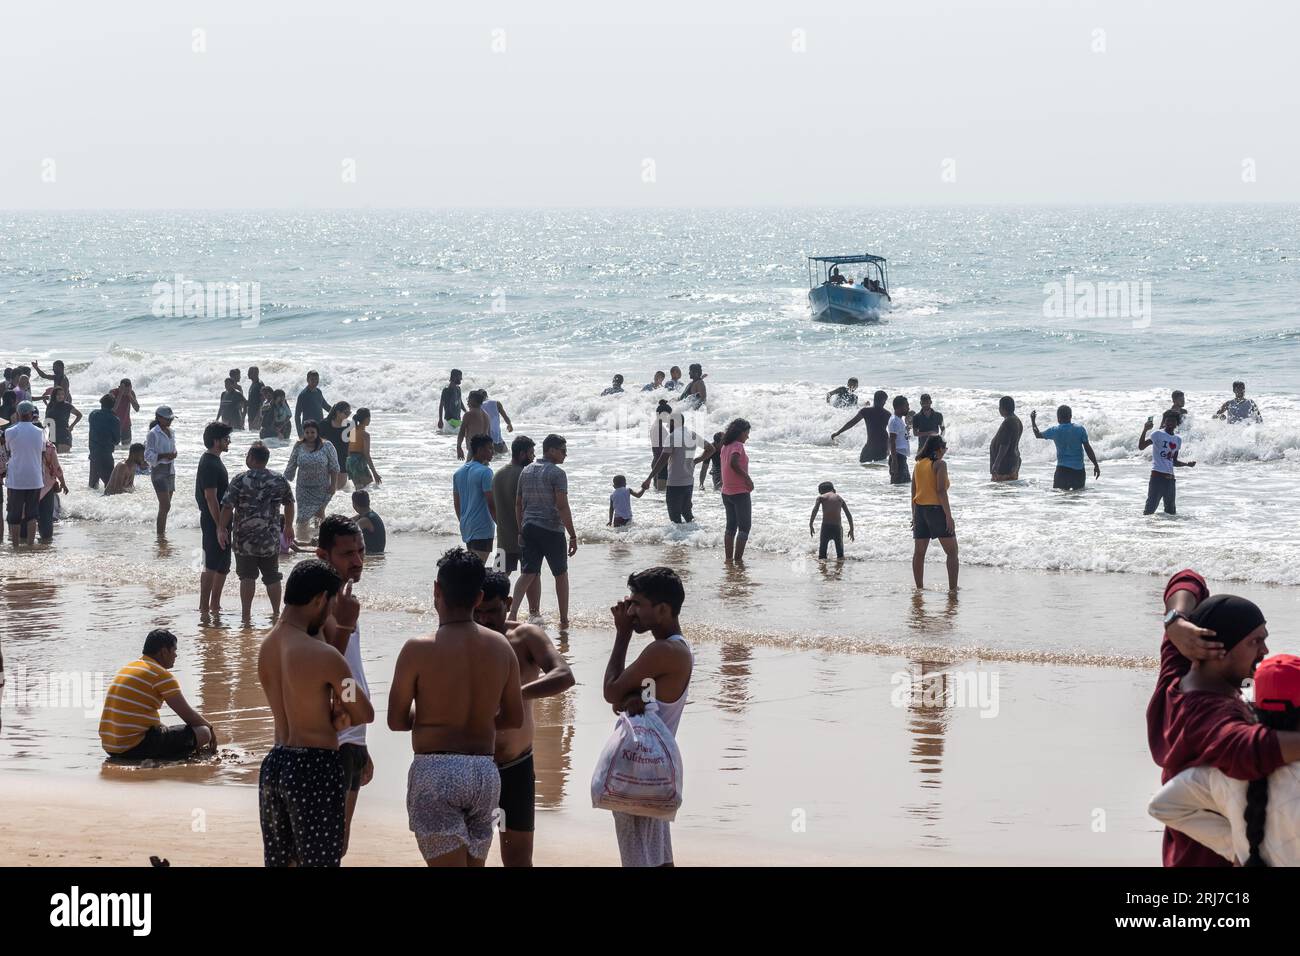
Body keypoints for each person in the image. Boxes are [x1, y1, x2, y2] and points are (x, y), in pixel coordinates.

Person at [1149, 575, 1300, 866]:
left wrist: (1175, 622)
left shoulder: (1181, 668)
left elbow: (1188, 580)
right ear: (1219, 651)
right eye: (1255, 641)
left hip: (1182, 849)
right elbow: (1245, 749)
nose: (1265, 651)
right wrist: (1234, 846)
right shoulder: (1207, 714)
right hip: (1209, 860)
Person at [388, 548, 523, 867]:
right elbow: (514, 717)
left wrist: (433, 716)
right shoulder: (502, 647)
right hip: (484, 774)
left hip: (436, 772)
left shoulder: (417, 649)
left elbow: (396, 720)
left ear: (437, 590)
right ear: (479, 597)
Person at [257, 559, 373, 868]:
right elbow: (363, 710)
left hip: (276, 763)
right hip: (314, 768)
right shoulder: (325, 656)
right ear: (320, 599)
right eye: (331, 605)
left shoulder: (267, 647)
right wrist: (343, 714)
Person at [471, 570, 574, 866]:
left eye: (492, 611)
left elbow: (564, 675)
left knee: (517, 860)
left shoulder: (526, 636)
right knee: (471, 856)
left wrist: (516, 695)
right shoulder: (465, 638)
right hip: (475, 762)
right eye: (478, 612)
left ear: (508, 602)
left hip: (516, 764)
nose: (485, 619)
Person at [603, 567, 694, 867]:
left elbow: (611, 691)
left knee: (638, 859)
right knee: (659, 857)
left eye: (637, 604)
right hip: (653, 770)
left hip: (638, 773)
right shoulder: (678, 649)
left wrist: (622, 635)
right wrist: (630, 699)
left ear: (663, 609)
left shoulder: (662, 650)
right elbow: (632, 698)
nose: (630, 611)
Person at [315, 515, 374, 857]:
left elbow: (349, 673)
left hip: (350, 736)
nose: (357, 561)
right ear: (323, 555)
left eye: (361, 551)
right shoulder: (316, 605)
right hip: (327, 738)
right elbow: (322, 670)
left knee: (339, 840)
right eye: (347, 554)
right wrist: (347, 626)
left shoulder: (345, 601)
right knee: (325, 842)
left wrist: (361, 739)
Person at [99, 629, 217, 760]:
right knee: (203, 732)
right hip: (134, 748)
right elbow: (188, 715)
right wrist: (211, 729)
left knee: (165, 728)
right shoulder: (161, 675)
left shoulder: (129, 668)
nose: (176, 655)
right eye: (174, 650)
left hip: (111, 747)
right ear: (164, 652)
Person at [219, 441, 296, 623]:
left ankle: (246, 616)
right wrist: (288, 526)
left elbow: (228, 507)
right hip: (269, 537)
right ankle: (276, 613)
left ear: (251, 458)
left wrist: (221, 528)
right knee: (272, 575)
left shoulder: (240, 479)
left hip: (244, 538)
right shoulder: (279, 479)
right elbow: (290, 503)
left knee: (246, 576)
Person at [510, 434, 577, 628]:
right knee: (560, 574)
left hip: (529, 527)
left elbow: (518, 504)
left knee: (528, 572)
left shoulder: (527, 470)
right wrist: (572, 534)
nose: (565, 454)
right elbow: (562, 506)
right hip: (551, 529)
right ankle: (564, 619)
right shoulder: (557, 473)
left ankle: (512, 613)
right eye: (563, 450)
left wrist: (521, 528)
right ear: (551, 451)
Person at [494, 436, 540, 615]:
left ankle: (492, 608)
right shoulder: (525, 475)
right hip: (524, 536)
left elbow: (492, 505)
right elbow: (528, 506)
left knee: (498, 578)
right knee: (532, 574)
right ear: (522, 454)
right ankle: (534, 613)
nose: (534, 456)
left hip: (503, 536)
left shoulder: (498, 474)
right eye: (531, 453)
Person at [642, 409, 713, 524]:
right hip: (689, 481)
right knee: (687, 515)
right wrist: (696, 461)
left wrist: (649, 478)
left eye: (669, 422)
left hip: (675, 483)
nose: (667, 425)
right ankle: (695, 538)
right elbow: (711, 449)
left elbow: (662, 460)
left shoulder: (672, 437)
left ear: (673, 423)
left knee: (675, 518)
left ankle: (679, 541)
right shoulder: (692, 434)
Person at [911, 436, 958, 590]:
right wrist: (948, 517)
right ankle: (953, 589)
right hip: (936, 510)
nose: (945, 452)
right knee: (952, 551)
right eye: (944, 448)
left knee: (919, 553)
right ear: (939, 449)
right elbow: (941, 491)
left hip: (920, 510)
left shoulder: (918, 465)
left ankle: (919, 588)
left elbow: (913, 492)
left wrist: (914, 515)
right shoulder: (940, 464)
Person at [196, 422, 234, 615]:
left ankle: (215, 604)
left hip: (221, 522)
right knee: (210, 564)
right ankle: (204, 605)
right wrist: (220, 526)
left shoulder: (215, 460)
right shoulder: (209, 463)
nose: (229, 441)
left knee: (223, 565)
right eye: (226, 438)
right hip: (214, 521)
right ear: (215, 441)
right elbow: (210, 498)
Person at [284, 421, 339, 542]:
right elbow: (292, 464)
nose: (310, 435)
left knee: (319, 514)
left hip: (322, 488)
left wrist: (333, 485)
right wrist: (284, 481)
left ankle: (319, 540)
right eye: (307, 432)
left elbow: (334, 467)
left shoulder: (327, 446)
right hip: (303, 489)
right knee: (303, 516)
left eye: (312, 432)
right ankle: (302, 540)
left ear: (317, 432)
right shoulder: (298, 446)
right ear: (303, 433)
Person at [1139, 409, 1195, 515]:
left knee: (1171, 512)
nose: (1169, 423)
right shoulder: (1157, 434)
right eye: (1167, 421)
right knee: (1149, 510)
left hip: (1170, 480)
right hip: (1157, 478)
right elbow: (1141, 447)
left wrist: (1186, 464)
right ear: (1164, 422)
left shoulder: (1178, 440)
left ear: (1177, 424)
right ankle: (1145, 530)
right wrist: (1145, 430)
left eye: (1172, 421)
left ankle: (1168, 531)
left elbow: (1173, 462)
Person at [1031, 404, 1100, 490]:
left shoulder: (1055, 430)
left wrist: (1033, 421)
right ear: (1070, 416)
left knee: (1059, 499)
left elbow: (1037, 434)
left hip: (1062, 471)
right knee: (1078, 499)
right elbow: (1088, 449)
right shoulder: (1080, 429)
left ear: (1058, 418)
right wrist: (1096, 465)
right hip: (1078, 471)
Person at [4, 402, 44, 546]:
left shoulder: (10, 431)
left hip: (16, 478)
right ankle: (30, 545)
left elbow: (9, 450)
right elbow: (42, 451)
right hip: (34, 478)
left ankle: (15, 546)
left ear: (18, 413)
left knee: (14, 515)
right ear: (32, 413)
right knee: (32, 515)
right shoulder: (40, 432)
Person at [453, 433, 497, 563]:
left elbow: (457, 504)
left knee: (471, 569)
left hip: (467, 526)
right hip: (482, 528)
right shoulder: (485, 472)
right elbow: (491, 503)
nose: (493, 452)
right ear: (480, 450)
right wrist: (500, 524)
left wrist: (463, 522)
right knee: (476, 572)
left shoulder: (458, 473)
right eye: (490, 448)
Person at [719, 418, 753, 563]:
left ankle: (728, 559)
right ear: (740, 432)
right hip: (739, 492)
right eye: (747, 433)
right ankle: (738, 560)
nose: (748, 436)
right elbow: (733, 463)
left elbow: (726, 466)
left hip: (726, 492)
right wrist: (747, 478)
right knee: (744, 527)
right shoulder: (738, 445)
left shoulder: (725, 446)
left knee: (731, 527)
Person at [144, 406, 179, 536]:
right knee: (165, 505)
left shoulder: (172, 431)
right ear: (159, 418)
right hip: (158, 471)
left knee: (165, 507)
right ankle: (160, 536)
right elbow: (147, 456)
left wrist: (173, 453)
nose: (170, 421)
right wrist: (165, 456)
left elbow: (172, 449)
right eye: (167, 418)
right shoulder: (153, 433)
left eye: (171, 418)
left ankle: (161, 534)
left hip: (171, 470)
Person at [34, 411, 68, 542]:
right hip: (47, 486)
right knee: (46, 516)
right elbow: (57, 468)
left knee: (28, 514)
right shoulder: (49, 447)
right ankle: (46, 540)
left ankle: (26, 540)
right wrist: (63, 483)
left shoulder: (24, 446)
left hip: (28, 484)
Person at [832, 389, 892, 463]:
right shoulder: (887, 414)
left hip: (872, 445)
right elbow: (891, 434)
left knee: (864, 465)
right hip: (881, 446)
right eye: (884, 401)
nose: (884, 403)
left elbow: (852, 423)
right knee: (877, 467)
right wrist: (888, 448)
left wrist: (838, 432)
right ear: (882, 401)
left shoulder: (866, 411)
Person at [809, 481, 854, 560]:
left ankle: (823, 568)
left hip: (826, 527)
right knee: (840, 553)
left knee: (822, 554)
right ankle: (839, 569)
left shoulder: (821, 497)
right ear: (833, 489)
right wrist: (851, 529)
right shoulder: (840, 498)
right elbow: (848, 514)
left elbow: (815, 510)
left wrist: (811, 524)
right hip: (837, 528)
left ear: (821, 491)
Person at [87, 394, 121, 490]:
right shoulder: (115, 420)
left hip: (93, 453)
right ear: (113, 405)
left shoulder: (93, 414)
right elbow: (117, 440)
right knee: (110, 485)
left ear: (101, 403)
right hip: (106, 454)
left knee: (93, 485)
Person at [318, 402, 353, 491]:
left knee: (340, 487)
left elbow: (352, 444)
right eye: (346, 412)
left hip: (343, 458)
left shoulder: (350, 425)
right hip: (327, 458)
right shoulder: (324, 424)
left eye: (349, 413)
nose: (348, 415)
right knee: (325, 486)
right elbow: (317, 443)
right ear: (338, 412)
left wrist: (351, 462)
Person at [989, 395, 1023, 481]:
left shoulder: (1008, 422)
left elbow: (1005, 444)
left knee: (1001, 493)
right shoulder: (1017, 421)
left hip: (1004, 467)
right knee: (1008, 492)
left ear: (1002, 408)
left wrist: (996, 463)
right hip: (1013, 464)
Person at [346, 407, 381, 490]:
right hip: (359, 463)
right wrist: (375, 473)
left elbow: (349, 450)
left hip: (350, 462)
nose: (370, 420)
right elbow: (366, 454)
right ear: (365, 419)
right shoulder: (365, 435)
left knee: (358, 491)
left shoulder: (353, 431)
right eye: (369, 418)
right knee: (369, 490)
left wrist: (350, 464)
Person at [42, 386, 81, 453]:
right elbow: (46, 420)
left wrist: (72, 426)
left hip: (64, 434)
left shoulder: (67, 406)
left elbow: (79, 415)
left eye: (62, 394)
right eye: (58, 394)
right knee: (54, 460)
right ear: (54, 395)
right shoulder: (50, 405)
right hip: (52, 435)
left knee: (64, 457)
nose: (61, 396)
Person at [294, 371, 331, 439]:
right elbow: (297, 415)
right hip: (308, 430)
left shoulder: (318, 392)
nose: (315, 381)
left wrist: (337, 412)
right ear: (307, 380)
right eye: (312, 379)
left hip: (319, 427)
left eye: (317, 379)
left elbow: (326, 406)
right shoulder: (303, 395)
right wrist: (300, 433)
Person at [456, 391, 491, 461]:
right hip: (485, 451)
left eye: (468, 399)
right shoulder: (487, 415)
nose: (467, 402)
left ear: (473, 400)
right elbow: (489, 435)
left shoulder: (469, 414)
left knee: (468, 470)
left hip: (475, 451)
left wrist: (458, 447)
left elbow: (461, 432)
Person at [480, 389, 513, 456]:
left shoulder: (478, 406)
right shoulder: (496, 403)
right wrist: (509, 424)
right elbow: (505, 417)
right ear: (486, 395)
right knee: (506, 456)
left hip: (487, 440)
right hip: (498, 439)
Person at [351, 490, 385, 555]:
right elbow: (346, 521)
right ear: (369, 501)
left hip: (373, 555)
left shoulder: (366, 520)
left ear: (354, 504)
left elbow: (347, 530)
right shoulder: (368, 515)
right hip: (376, 555)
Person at [887, 395, 911, 485]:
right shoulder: (894, 421)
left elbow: (902, 438)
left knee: (904, 485)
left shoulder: (900, 420)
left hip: (901, 457)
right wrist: (894, 462)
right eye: (906, 406)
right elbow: (892, 441)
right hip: (897, 457)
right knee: (897, 485)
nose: (908, 408)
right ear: (899, 407)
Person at [648, 400, 671, 492]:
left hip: (657, 461)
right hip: (660, 463)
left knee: (658, 494)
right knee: (662, 494)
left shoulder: (656, 426)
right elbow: (661, 450)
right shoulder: (659, 428)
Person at [110, 378, 139, 447]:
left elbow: (137, 409)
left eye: (129, 389)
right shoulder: (113, 393)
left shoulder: (131, 393)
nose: (126, 392)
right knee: (112, 448)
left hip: (126, 425)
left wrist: (129, 394)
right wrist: (120, 394)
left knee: (126, 449)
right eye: (125, 390)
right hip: (113, 426)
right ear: (119, 387)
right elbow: (113, 409)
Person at [438, 368, 466, 434]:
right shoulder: (446, 390)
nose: (461, 379)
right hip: (449, 420)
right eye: (460, 377)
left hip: (458, 420)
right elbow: (441, 405)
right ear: (454, 377)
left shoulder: (458, 389)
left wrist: (466, 412)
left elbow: (460, 402)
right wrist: (440, 419)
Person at [246, 366, 265, 431]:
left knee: (256, 433)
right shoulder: (253, 384)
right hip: (251, 413)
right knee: (251, 434)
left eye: (250, 372)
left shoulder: (259, 384)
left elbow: (262, 400)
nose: (248, 374)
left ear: (256, 373)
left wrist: (258, 415)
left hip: (257, 414)